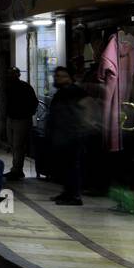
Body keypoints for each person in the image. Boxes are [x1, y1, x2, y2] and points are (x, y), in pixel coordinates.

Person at [45, 65, 89, 205]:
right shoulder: (62, 92)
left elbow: (85, 108)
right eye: (57, 76)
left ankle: (75, 196)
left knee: (72, 166)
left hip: (72, 135)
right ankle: (67, 193)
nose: (58, 78)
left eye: (61, 76)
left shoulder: (75, 91)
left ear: (70, 78)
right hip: (62, 135)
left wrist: (81, 126)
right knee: (65, 166)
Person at [5, 67, 38, 181]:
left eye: (13, 74)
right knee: (13, 144)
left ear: (18, 75)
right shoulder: (9, 87)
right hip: (12, 117)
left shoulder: (25, 87)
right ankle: (16, 168)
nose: (10, 76)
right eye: (9, 74)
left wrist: (27, 114)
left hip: (21, 119)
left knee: (18, 145)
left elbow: (34, 102)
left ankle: (17, 170)